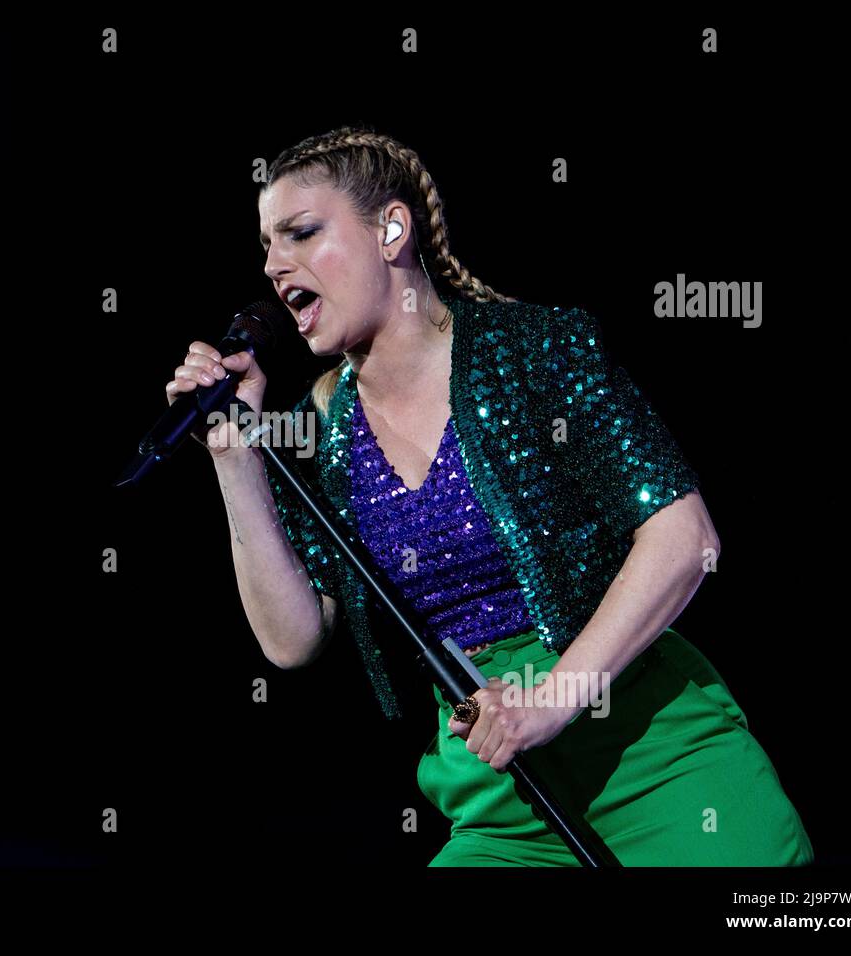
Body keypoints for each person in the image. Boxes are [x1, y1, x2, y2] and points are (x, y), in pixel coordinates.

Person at [164, 125, 813, 866]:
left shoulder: (536, 349)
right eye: (268, 246)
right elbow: (293, 640)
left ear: (391, 229)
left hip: (657, 761)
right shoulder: (322, 429)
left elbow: (683, 537)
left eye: (301, 233)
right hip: (500, 800)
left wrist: (551, 697)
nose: (276, 266)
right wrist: (235, 458)